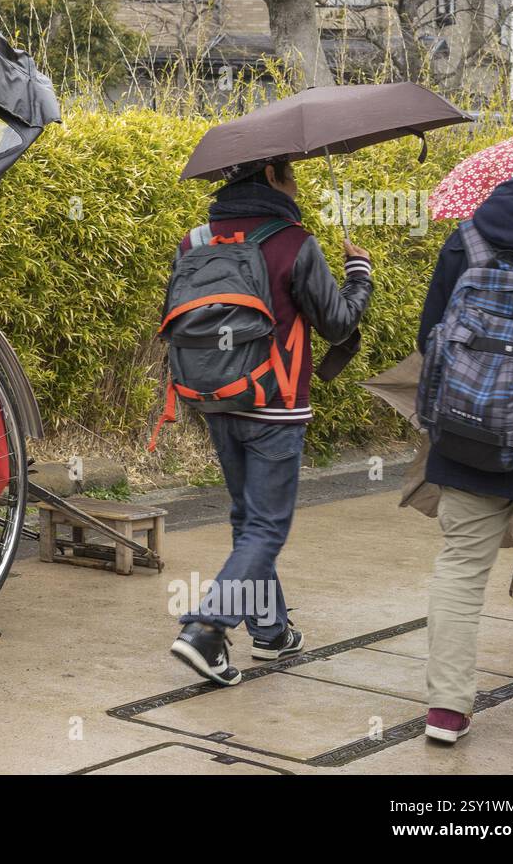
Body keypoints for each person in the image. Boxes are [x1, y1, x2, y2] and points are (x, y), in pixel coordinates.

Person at [167, 157, 374, 686]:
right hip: (275, 406)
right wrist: (359, 275)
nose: (299, 184)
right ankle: (205, 630)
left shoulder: (196, 241)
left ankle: (270, 630)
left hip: (215, 397)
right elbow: (336, 321)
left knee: (248, 519)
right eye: (293, 175)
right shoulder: (292, 242)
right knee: (266, 525)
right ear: (273, 177)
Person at [417, 122, 513, 743]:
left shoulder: (466, 237)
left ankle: (447, 710)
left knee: (460, 568)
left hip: (467, 438)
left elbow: (430, 336)